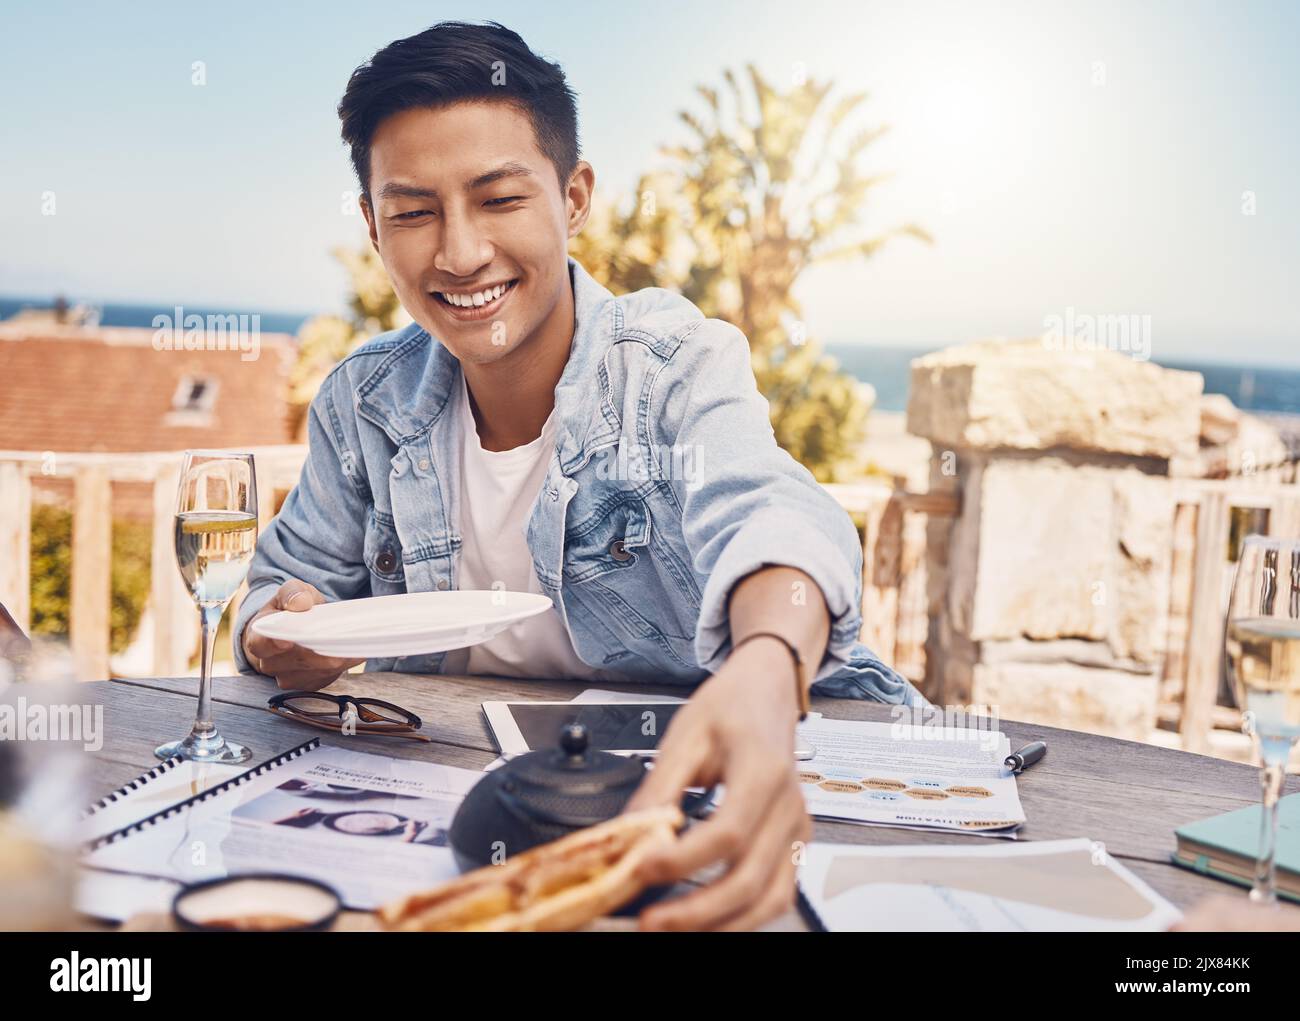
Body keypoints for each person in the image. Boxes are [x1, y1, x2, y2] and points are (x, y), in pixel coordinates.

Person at [233, 20, 925, 932]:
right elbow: (273, 596)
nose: (461, 252)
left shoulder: (674, 362)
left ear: (575, 195)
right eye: (412, 212)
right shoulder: (362, 405)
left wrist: (766, 662)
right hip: (464, 813)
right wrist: (275, 633)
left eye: (498, 199)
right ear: (372, 225)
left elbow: (773, 513)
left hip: (737, 801)